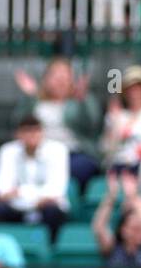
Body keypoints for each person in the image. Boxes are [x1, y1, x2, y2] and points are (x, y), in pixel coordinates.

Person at [12, 56, 102, 192]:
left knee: (79, 169)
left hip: (73, 155)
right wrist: (29, 97)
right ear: (46, 80)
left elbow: (92, 124)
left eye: (65, 76)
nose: (61, 81)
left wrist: (83, 100)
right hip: (40, 155)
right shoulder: (35, 102)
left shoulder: (80, 100)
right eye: (56, 76)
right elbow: (20, 124)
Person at [0, 114, 69, 236]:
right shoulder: (7, 151)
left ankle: (49, 250)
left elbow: (56, 190)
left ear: (42, 133)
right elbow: (1, 191)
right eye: (27, 131)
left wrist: (20, 193)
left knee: (52, 211)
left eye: (36, 130)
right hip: (16, 207)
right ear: (18, 134)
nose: (32, 135)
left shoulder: (58, 150)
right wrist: (35, 198)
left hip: (45, 207)